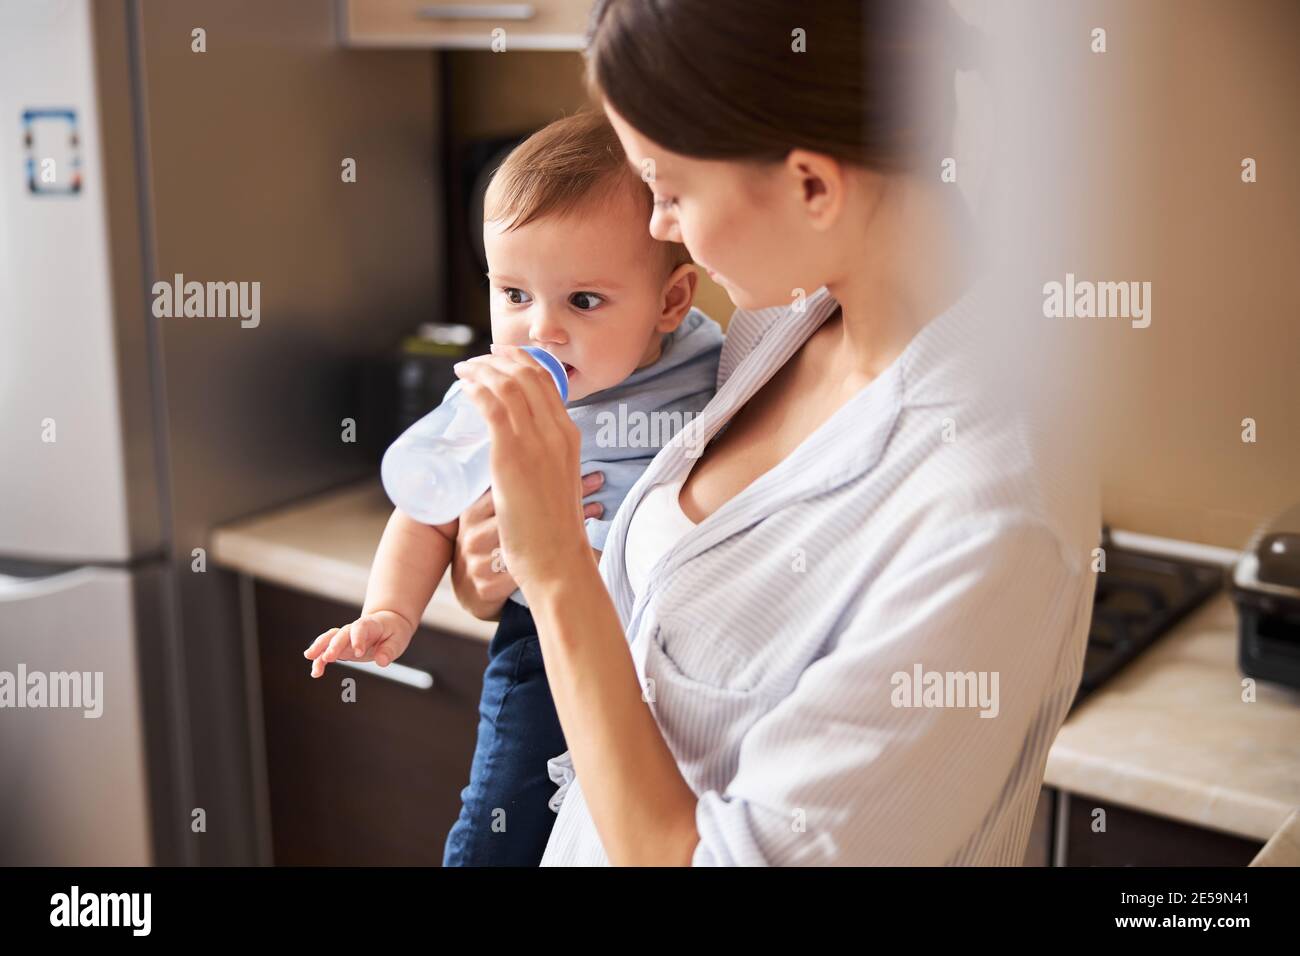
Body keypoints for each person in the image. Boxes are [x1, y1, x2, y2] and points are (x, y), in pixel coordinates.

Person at [303, 109, 722, 866]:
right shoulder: (494, 394)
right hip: (539, 642)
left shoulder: (718, 367)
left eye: (583, 302)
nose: (541, 334)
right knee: (501, 821)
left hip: (658, 650)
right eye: (514, 295)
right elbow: (425, 513)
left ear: (671, 301)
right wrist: (389, 612)